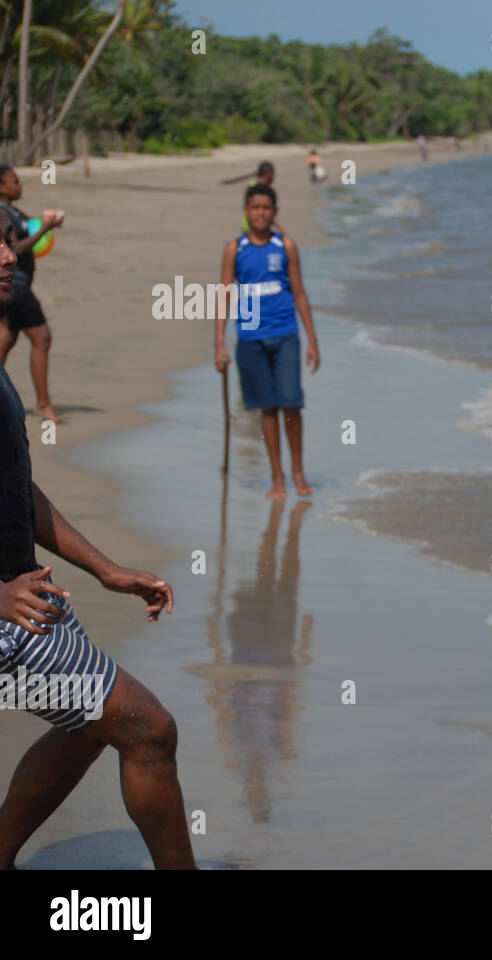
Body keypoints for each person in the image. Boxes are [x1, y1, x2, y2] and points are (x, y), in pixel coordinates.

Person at [0, 210, 194, 869]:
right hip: (8, 610)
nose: (9, 257)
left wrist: (106, 570)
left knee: (88, 723)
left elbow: (15, 491)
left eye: (6, 243)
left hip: (25, 594)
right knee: (149, 729)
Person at [215, 184, 320, 500]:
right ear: (246, 211)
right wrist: (219, 342)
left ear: (274, 212)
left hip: (286, 334)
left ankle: (298, 472)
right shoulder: (235, 249)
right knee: (267, 409)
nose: (261, 213)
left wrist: (313, 340)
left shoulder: (285, 246)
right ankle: (277, 477)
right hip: (250, 338)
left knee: (291, 404)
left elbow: (299, 293)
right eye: (255, 207)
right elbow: (225, 295)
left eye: (266, 208)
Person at [0, 165, 62, 423]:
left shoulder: (12, 212)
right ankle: (44, 404)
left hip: (14, 285)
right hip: (16, 287)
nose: (20, 184)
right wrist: (45, 229)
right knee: (42, 338)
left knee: (7, 338)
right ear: (1, 186)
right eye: (15, 181)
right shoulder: (2, 213)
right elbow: (19, 247)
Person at [241, 161, 277, 235]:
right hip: (251, 225)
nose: (273, 178)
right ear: (268, 174)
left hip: (247, 224)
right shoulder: (263, 190)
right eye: (273, 174)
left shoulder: (251, 185)